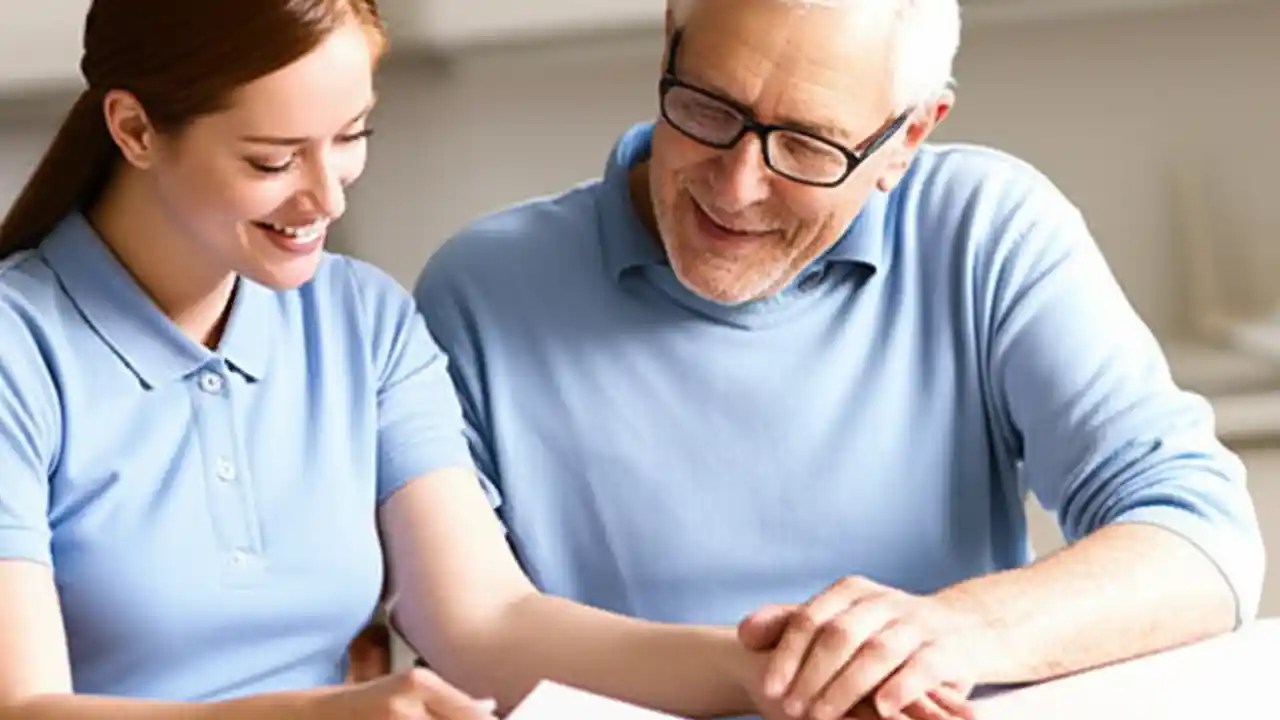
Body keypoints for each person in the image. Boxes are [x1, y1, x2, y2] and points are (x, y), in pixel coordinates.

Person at [0, 2, 892, 719]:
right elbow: (22, 705)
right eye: (273, 159)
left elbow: (487, 624)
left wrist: (766, 672)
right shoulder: (18, 349)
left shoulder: (360, 320)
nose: (326, 193)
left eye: (352, 135)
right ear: (135, 129)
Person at [413, 0, 1267, 718]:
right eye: (709, 108)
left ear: (908, 138)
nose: (737, 185)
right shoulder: (480, 292)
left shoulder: (987, 232)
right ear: (669, 39)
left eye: (810, 147)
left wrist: (954, 633)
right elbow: (472, 630)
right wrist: (778, 675)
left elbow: (1205, 543)